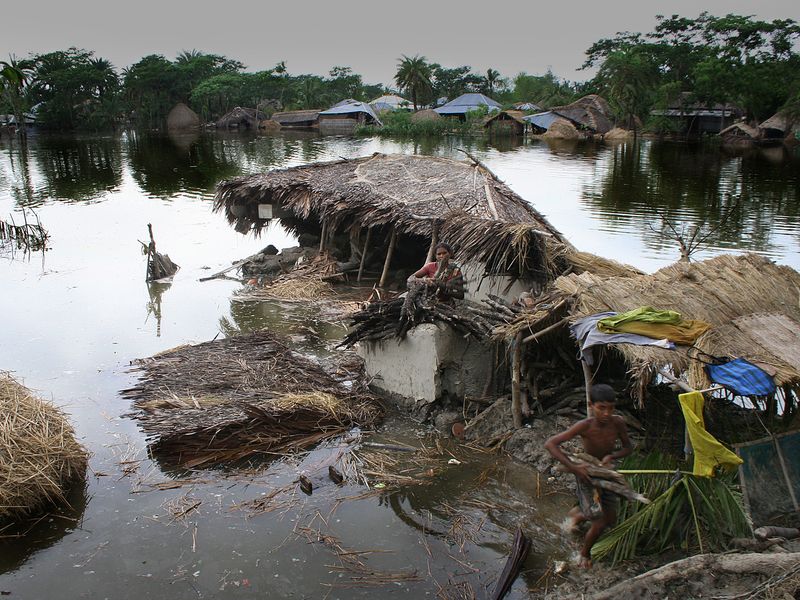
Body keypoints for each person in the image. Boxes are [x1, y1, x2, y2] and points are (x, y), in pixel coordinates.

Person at [544, 384, 633, 568]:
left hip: (606, 471)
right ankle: (584, 555)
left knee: (610, 519)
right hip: (586, 473)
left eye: (611, 408)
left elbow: (628, 447)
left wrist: (612, 456)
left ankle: (577, 515)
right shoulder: (584, 426)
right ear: (591, 405)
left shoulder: (618, 423)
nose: (607, 413)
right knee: (600, 523)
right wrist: (575, 467)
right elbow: (551, 444)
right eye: (601, 408)